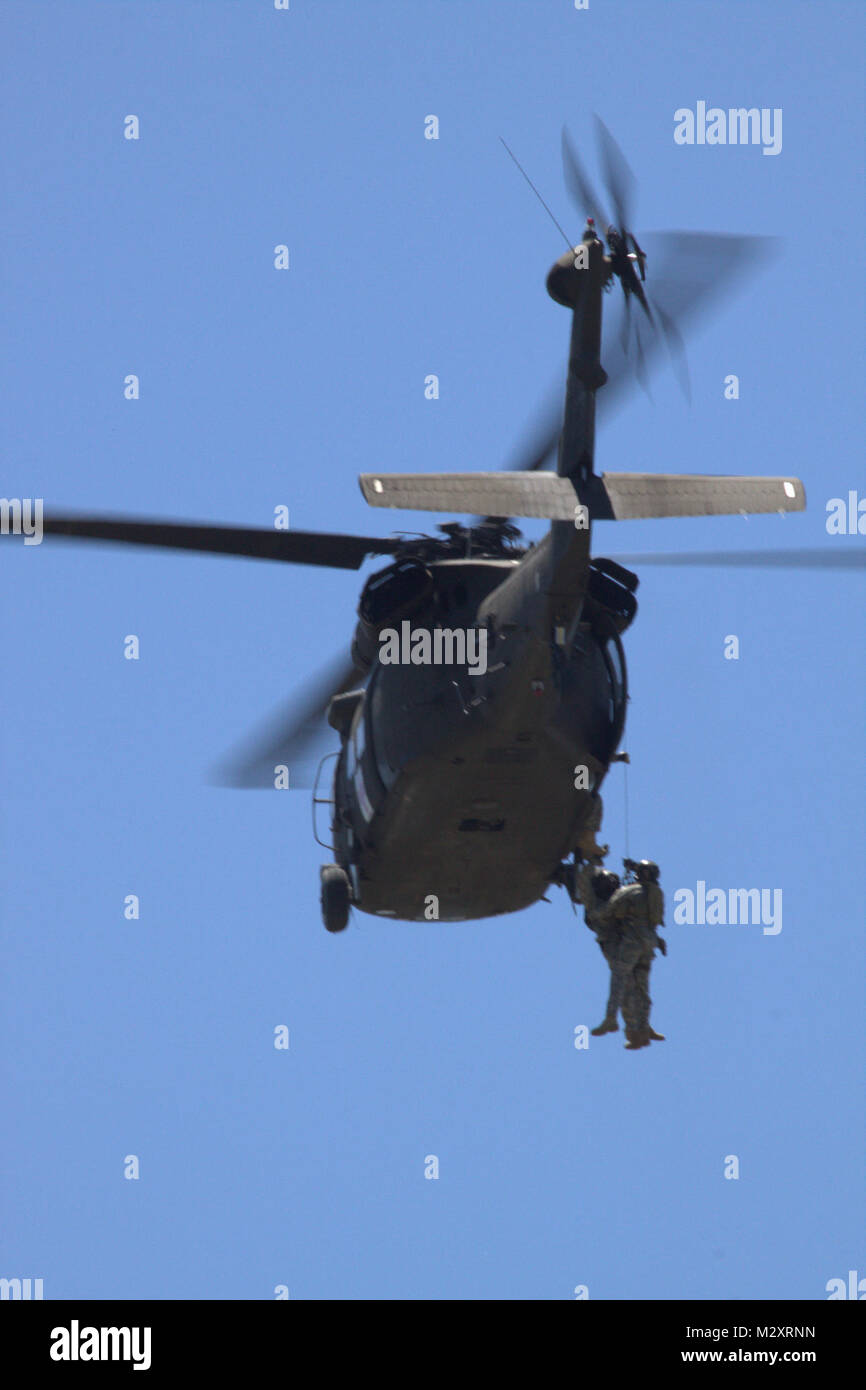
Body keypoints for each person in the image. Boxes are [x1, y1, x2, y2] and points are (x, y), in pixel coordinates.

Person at [604, 860, 667, 1049]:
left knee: (621, 981)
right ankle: (644, 1027)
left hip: (632, 941)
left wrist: (596, 913)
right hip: (650, 943)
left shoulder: (630, 891)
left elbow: (610, 910)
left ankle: (615, 1021)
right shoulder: (657, 893)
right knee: (642, 988)